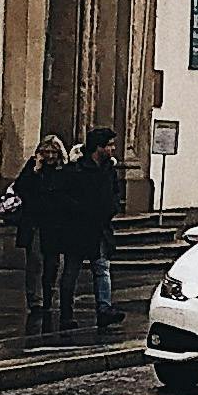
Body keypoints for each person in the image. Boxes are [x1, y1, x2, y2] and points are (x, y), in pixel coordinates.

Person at [8, 131, 73, 337]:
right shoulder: (33, 168)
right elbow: (20, 188)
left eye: (53, 152)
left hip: (56, 224)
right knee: (35, 261)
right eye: (45, 151)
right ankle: (34, 299)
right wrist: (35, 170)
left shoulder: (65, 171)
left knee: (52, 263)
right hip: (35, 222)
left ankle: (48, 296)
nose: (49, 156)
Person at [60, 126, 124, 334]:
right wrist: (85, 212)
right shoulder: (76, 170)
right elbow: (66, 199)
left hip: (100, 228)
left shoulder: (108, 170)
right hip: (79, 228)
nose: (113, 149)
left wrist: (111, 209)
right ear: (99, 147)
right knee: (72, 271)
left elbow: (115, 195)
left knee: (102, 269)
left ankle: (104, 309)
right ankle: (66, 313)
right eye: (110, 145)